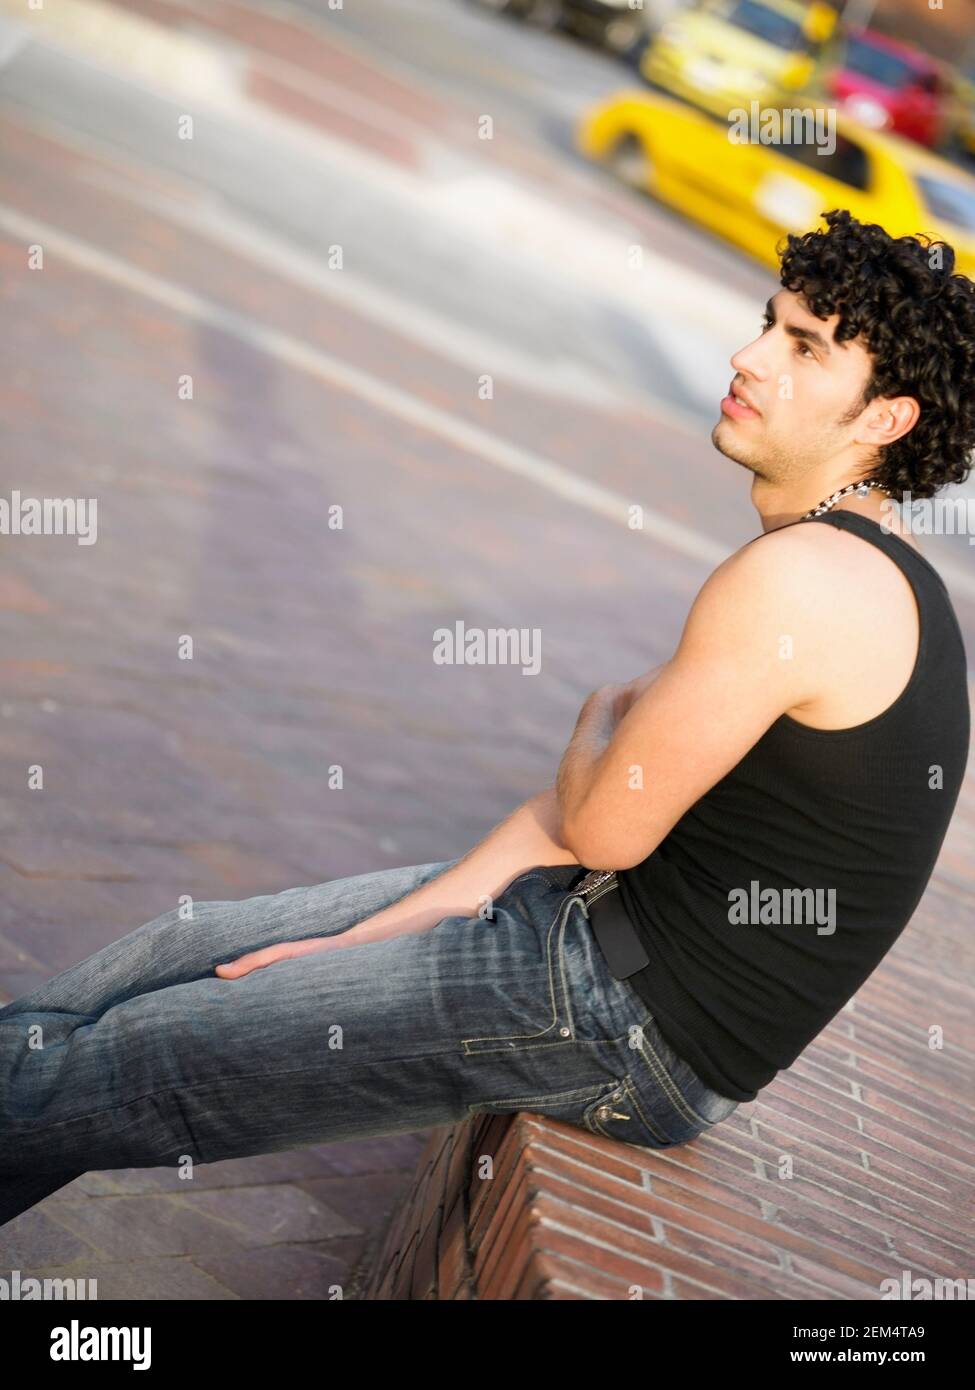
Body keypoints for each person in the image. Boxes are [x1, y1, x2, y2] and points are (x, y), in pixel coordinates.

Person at [1, 209, 971, 1228]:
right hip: (579, 928)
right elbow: (579, 815)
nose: (749, 355)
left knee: (131, 1059)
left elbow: (601, 819)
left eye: (802, 347)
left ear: (884, 420)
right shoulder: (840, 558)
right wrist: (387, 926)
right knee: (159, 958)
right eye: (768, 323)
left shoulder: (808, 580)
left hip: (629, 1023)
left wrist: (599, 714)